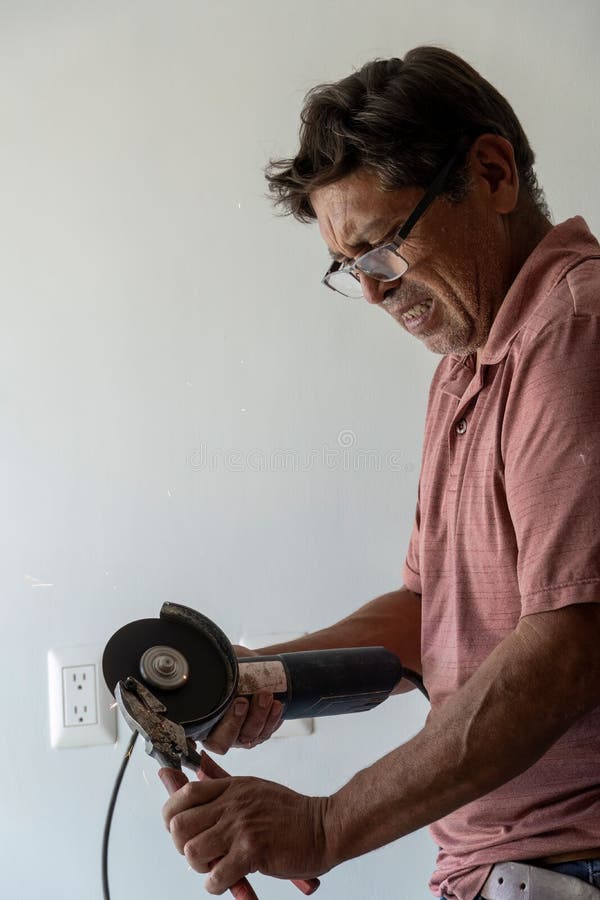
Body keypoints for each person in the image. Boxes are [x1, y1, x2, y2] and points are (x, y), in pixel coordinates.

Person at [161, 47, 600, 900]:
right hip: (508, 870)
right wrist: (254, 677)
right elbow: (434, 615)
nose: (372, 292)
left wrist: (324, 826)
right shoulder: (470, 365)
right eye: (350, 266)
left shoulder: (574, 333)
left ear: (492, 173)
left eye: (384, 249)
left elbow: (571, 647)